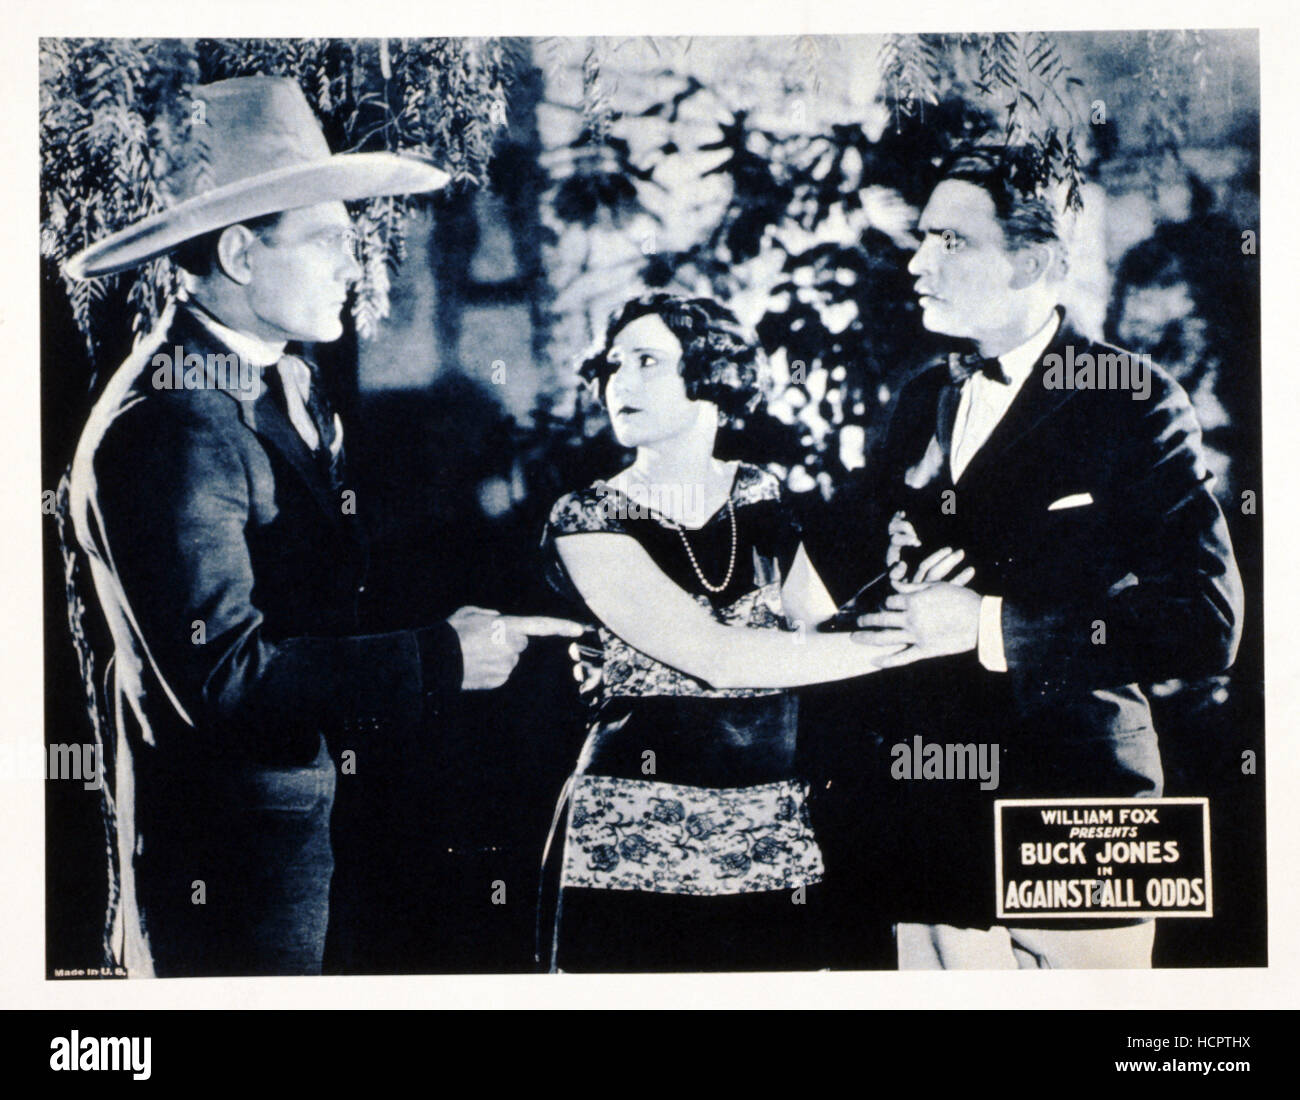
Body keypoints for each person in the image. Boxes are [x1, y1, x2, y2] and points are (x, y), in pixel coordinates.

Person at [64, 76, 581, 977]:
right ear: (237, 252)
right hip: (237, 879)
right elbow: (223, 679)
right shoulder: (170, 424)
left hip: (318, 839)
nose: (357, 267)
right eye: (332, 242)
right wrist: (443, 656)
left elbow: (321, 600)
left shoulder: (283, 381)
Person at [824, 146, 1244, 969]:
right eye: (922, 238)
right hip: (933, 804)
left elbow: (1205, 622)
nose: (917, 262)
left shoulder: (1132, 396)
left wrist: (985, 625)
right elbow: (872, 561)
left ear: (1037, 262)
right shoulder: (922, 396)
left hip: (1079, 811)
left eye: (952, 242)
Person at [538, 293, 959, 972]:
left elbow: (821, 628)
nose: (621, 382)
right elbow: (718, 659)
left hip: (767, 822)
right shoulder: (586, 517)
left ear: (710, 378)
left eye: (648, 362)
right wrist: (905, 640)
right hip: (633, 827)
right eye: (615, 365)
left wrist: (898, 587)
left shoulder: (756, 493)